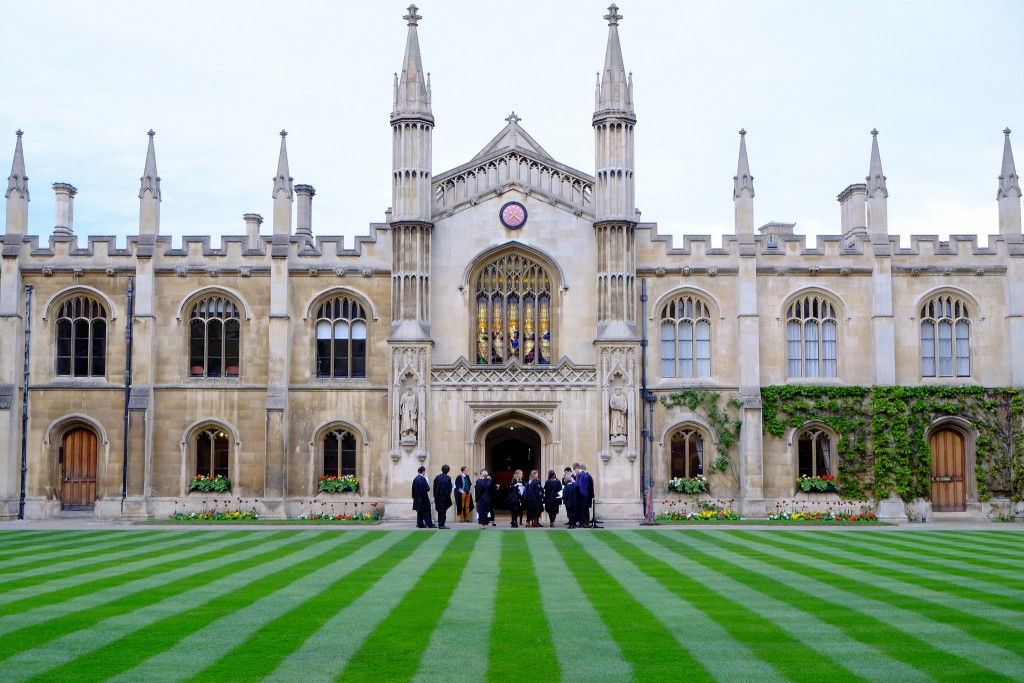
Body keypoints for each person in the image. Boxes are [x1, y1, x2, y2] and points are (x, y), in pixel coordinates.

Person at [433, 464, 453, 529]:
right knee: (443, 510)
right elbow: (449, 489)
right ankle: (442, 524)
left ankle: (440, 523)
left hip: (437, 496)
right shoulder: (448, 478)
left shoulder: (437, 477)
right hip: (444, 497)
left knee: (440, 510)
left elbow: (434, 487)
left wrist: (435, 495)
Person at [575, 462, 594, 527]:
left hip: (583, 495)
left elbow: (580, 486)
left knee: (584, 510)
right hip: (585, 495)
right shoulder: (583, 475)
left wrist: (580, 494)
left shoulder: (581, 475)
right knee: (584, 510)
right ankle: (584, 523)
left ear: (577, 468)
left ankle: (585, 523)